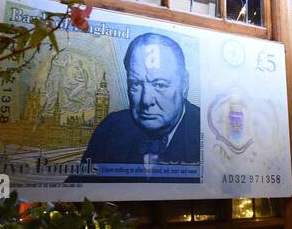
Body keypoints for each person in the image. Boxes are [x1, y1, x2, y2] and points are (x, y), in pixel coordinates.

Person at [70, 33, 201, 176]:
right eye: (136, 84)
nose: (146, 100)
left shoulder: (203, 130)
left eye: (160, 85)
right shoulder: (110, 129)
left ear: (184, 84)